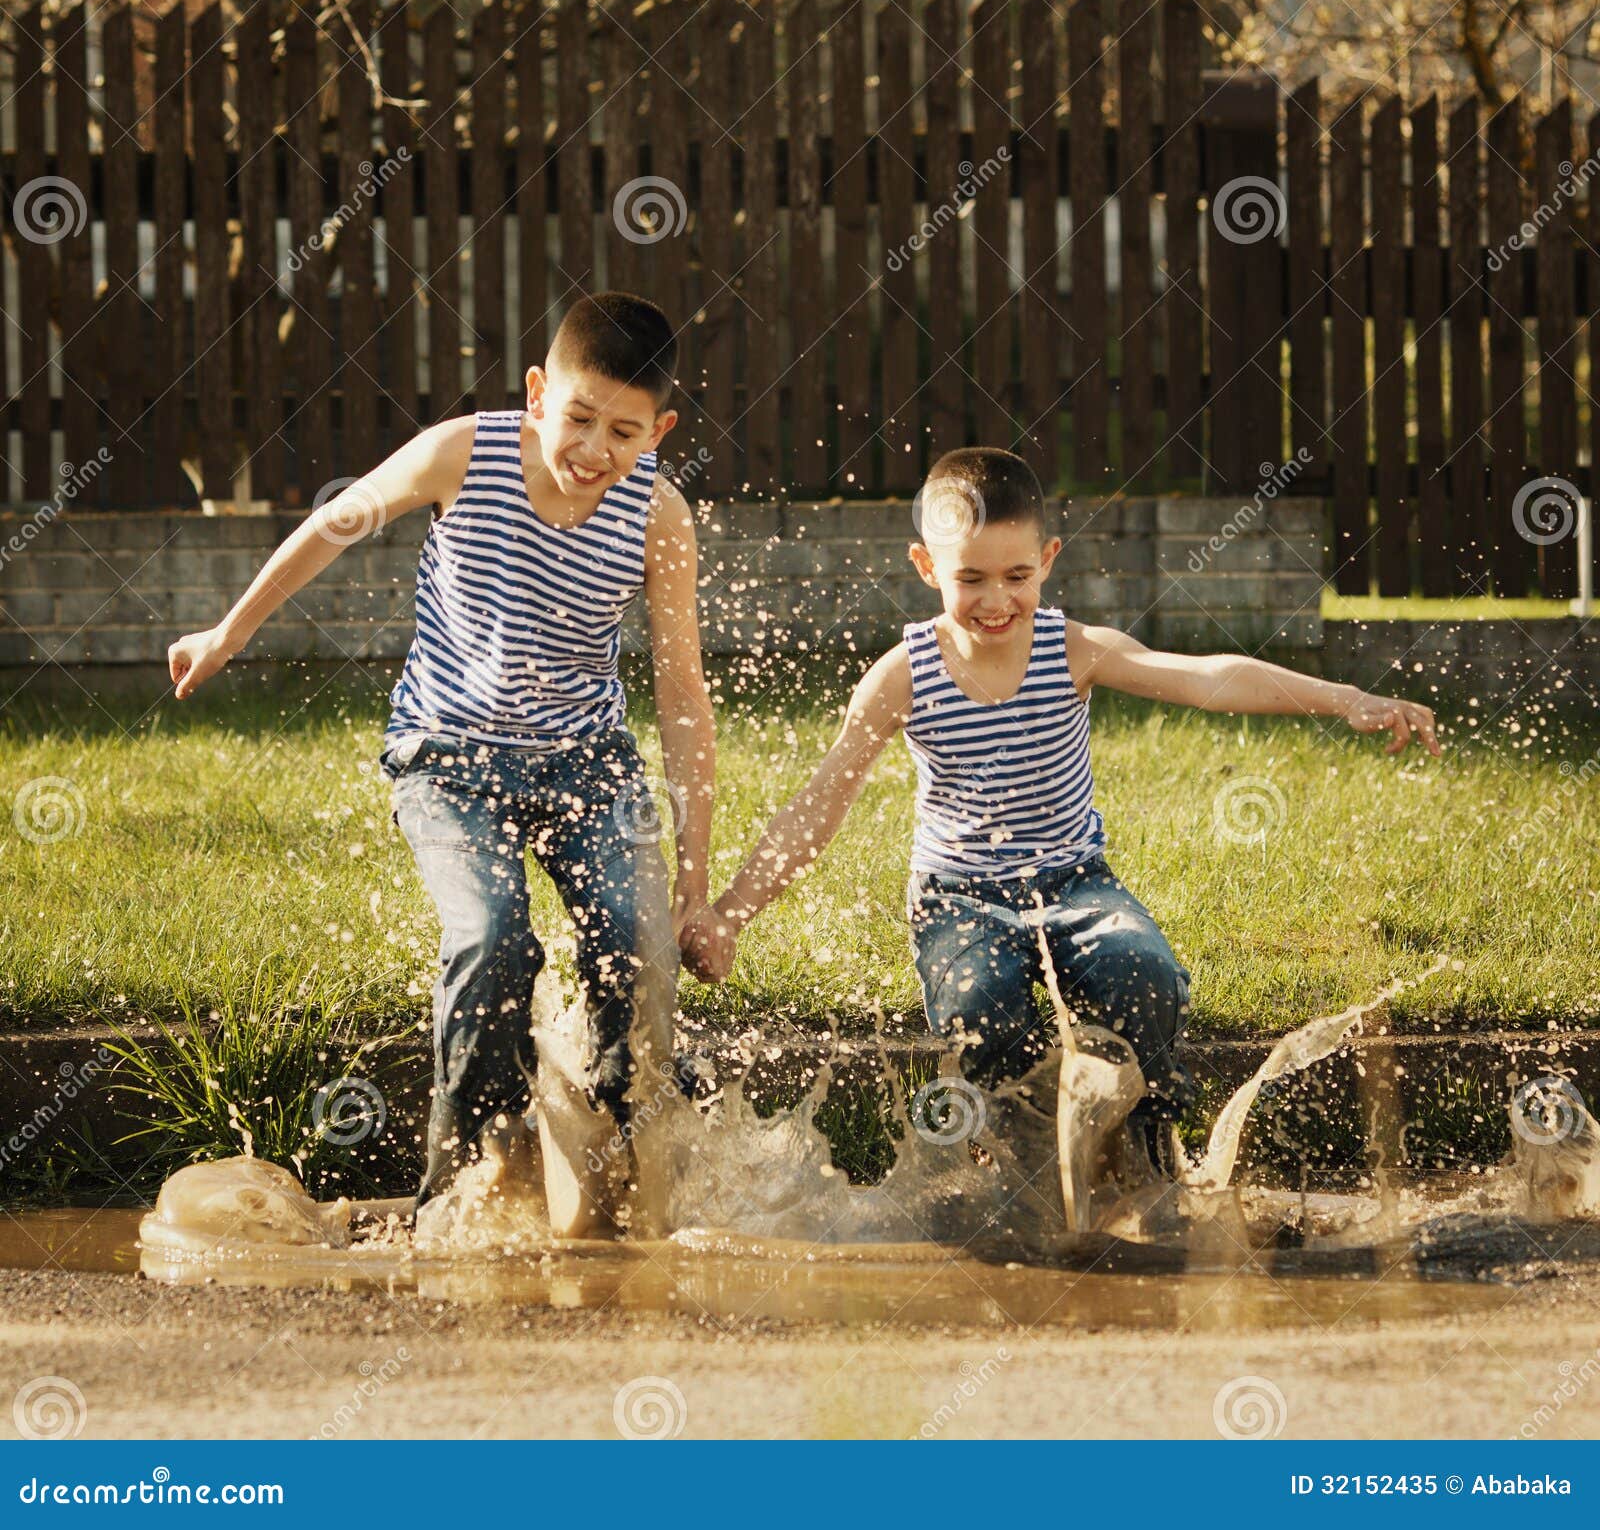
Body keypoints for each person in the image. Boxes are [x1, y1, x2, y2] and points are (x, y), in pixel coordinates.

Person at [681, 446, 1440, 1171]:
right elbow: (819, 806)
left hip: (1076, 883)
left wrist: (1347, 698)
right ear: (926, 567)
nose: (996, 600)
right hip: (959, 898)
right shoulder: (903, 676)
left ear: (1046, 561)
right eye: (970, 578)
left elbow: (1210, 677)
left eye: (1017, 574)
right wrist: (730, 914)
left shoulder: (1071, 648)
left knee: (1141, 973)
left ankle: (1141, 1144)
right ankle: (1011, 1155)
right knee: (981, 1006)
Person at [168, 292, 716, 1210]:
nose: (594, 451)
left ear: (658, 430)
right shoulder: (464, 453)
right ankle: (476, 1181)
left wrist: (693, 884)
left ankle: (632, 1171)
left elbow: (684, 699)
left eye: (624, 433)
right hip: (447, 757)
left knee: (638, 944)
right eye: (579, 419)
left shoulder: (659, 516)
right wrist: (228, 633)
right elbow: (331, 527)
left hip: (587, 763)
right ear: (539, 393)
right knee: (491, 937)